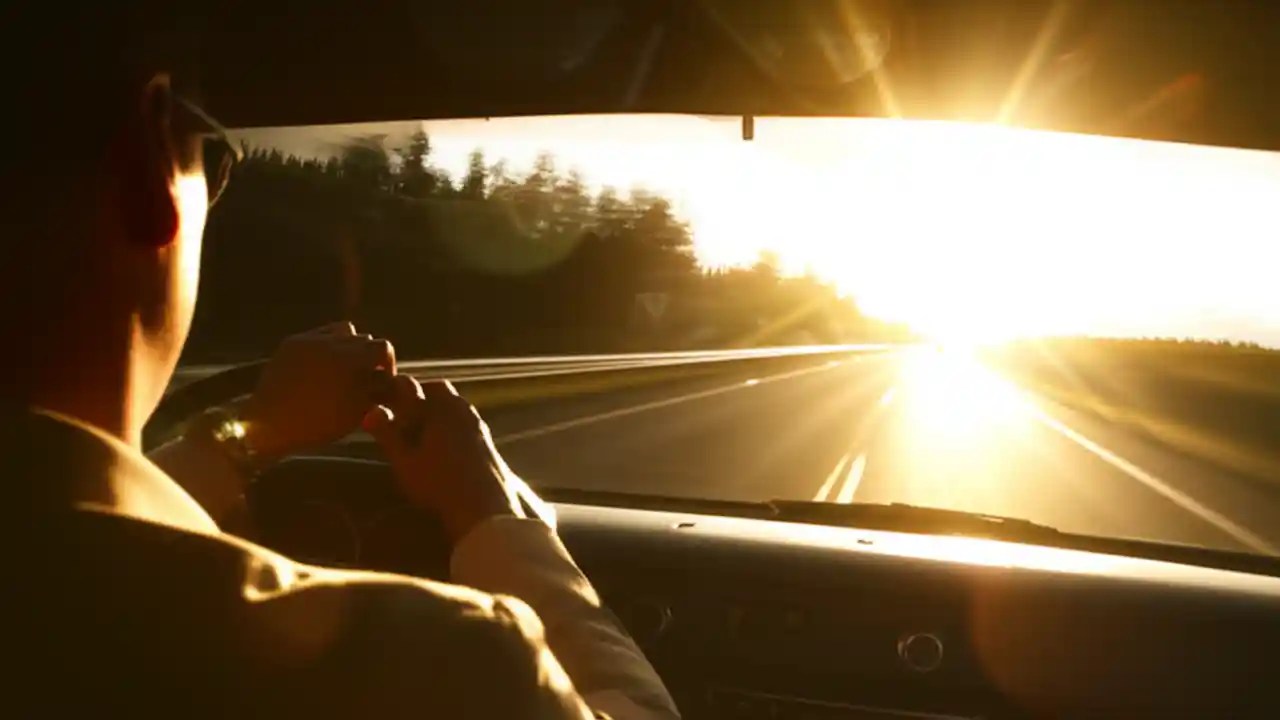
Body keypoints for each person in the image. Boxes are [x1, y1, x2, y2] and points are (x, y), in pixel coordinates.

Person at [3, 4, 676, 718]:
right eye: (217, 162)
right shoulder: (447, 667)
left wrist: (246, 434)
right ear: (148, 170)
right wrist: (500, 519)